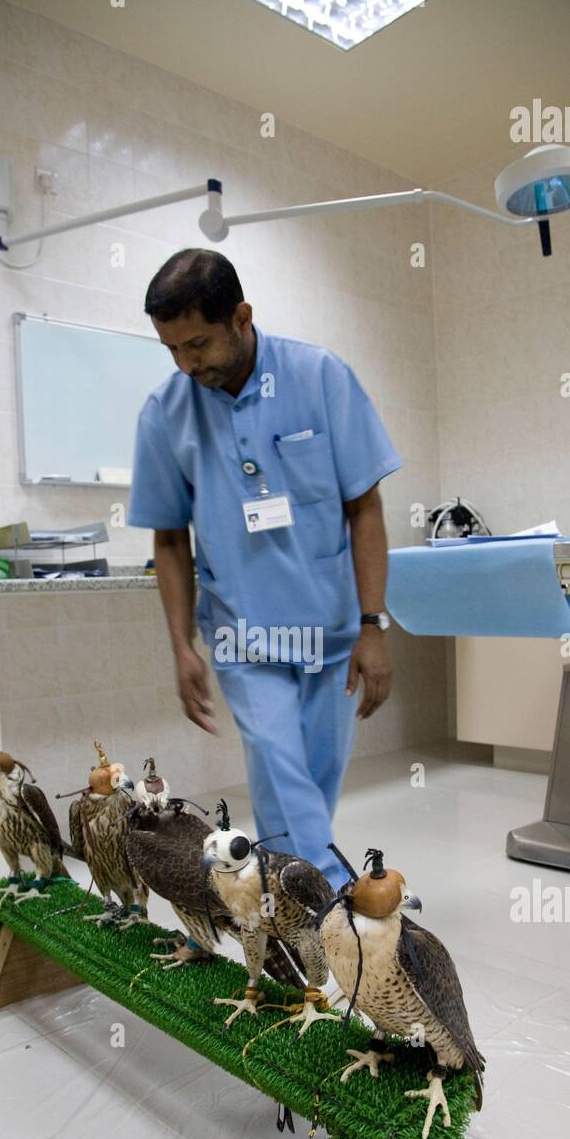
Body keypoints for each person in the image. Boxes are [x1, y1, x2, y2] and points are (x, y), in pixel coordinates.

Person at [127, 249, 400, 888]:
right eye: (172, 349)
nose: (187, 363)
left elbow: (365, 507)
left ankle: (280, 899)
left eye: (197, 343)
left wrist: (372, 624)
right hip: (243, 636)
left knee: (308, 783)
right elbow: (170, 541)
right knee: (279, 763)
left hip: (331, 632)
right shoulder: (166, 412)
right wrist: (181, 644)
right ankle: (338, 902)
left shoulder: (321, 377)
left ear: (242, 317)